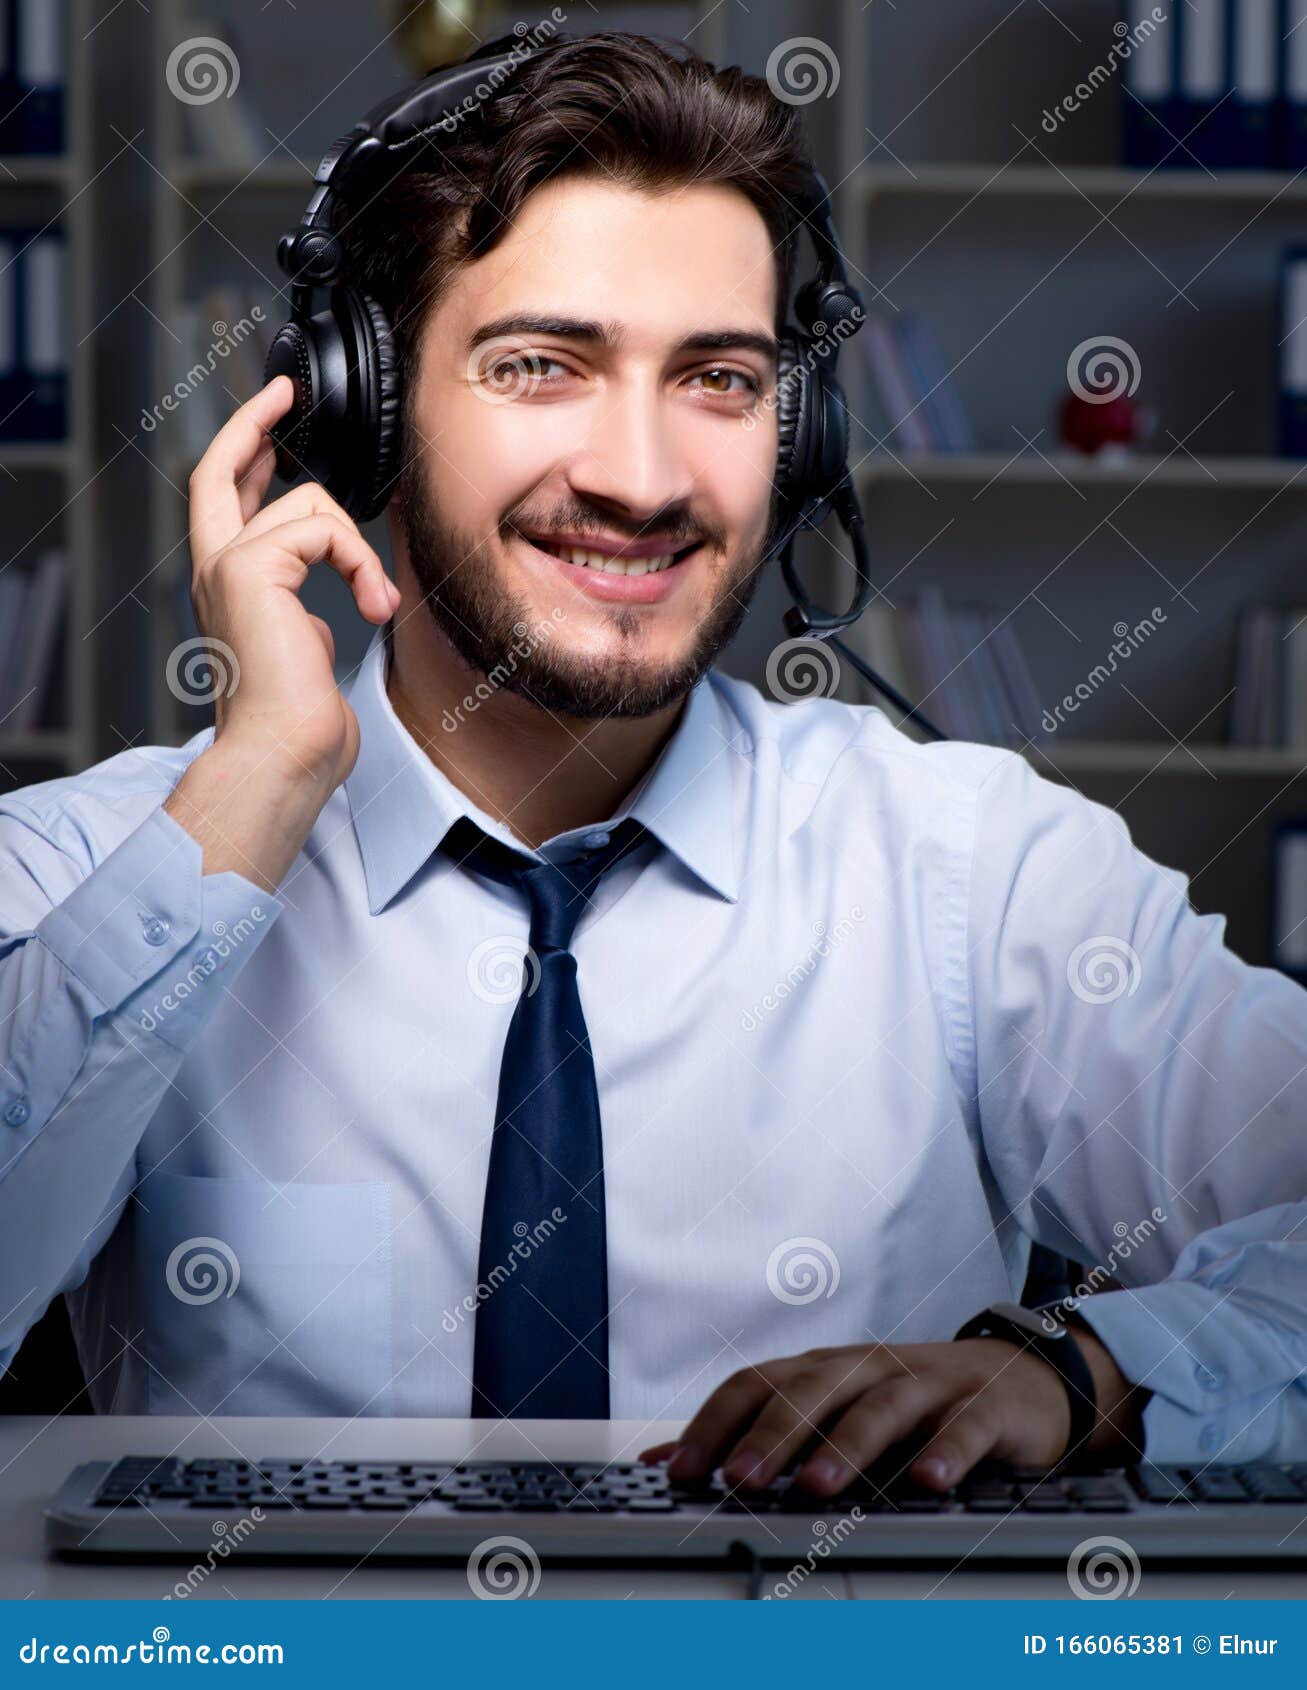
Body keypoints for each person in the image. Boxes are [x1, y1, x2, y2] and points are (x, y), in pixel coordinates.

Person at [1, 32, 1304, 1503]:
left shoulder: (977, 873)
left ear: (795, 436)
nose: (643, 474)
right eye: (540, 365)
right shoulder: (102, 865)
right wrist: (250, 793)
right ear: (364, 410)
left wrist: (1083, 1370)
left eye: (721, 380)